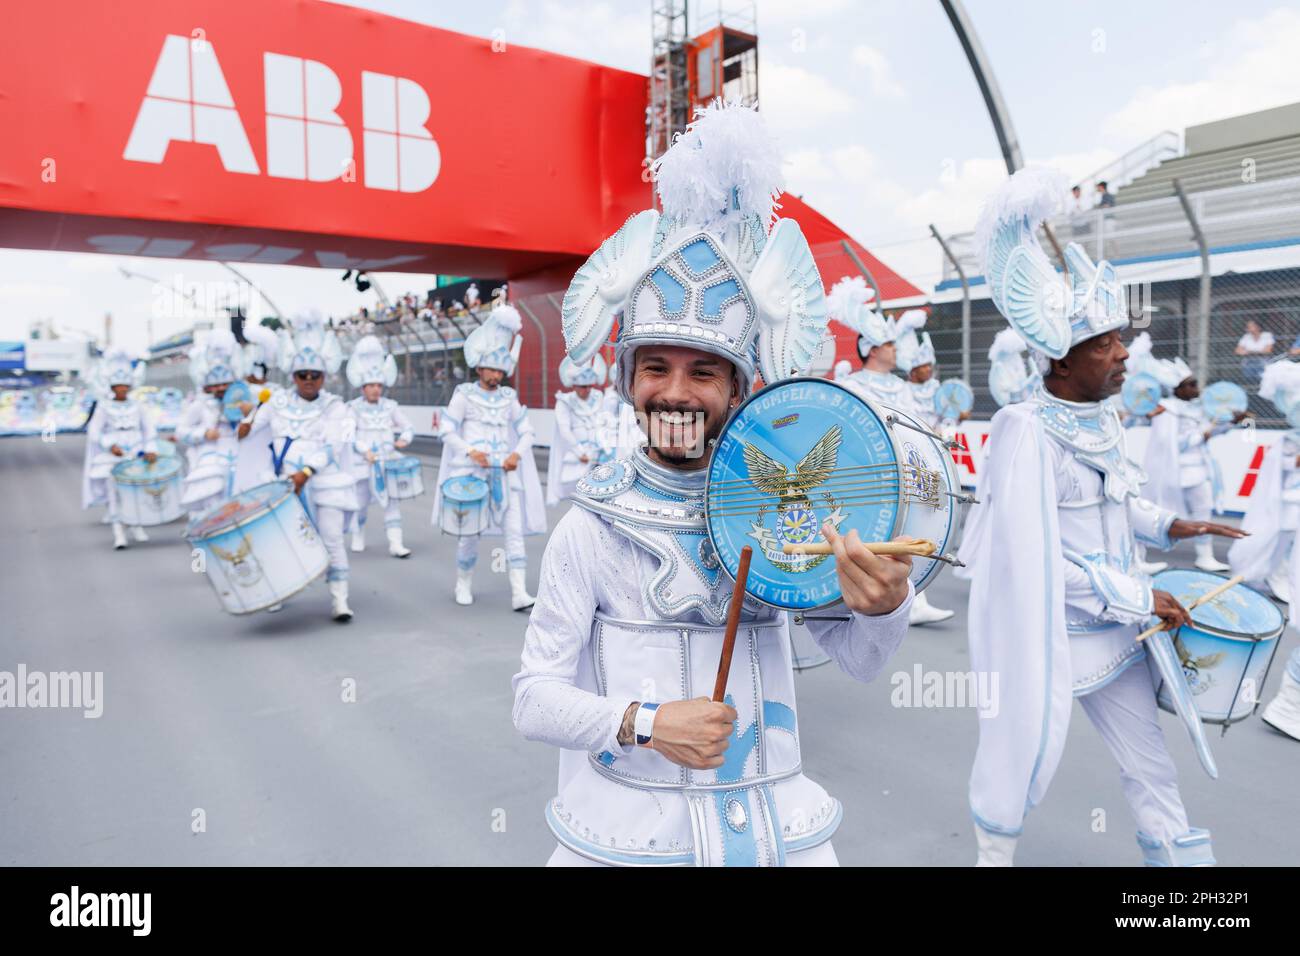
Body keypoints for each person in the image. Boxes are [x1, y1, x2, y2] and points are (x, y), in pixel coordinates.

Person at [512, 101, 913, 868]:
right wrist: (646, 723)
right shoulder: (591, 527)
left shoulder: (784, 512)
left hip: (777, 832)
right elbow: (533, 699)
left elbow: (862, 659)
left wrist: (885, 606)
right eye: (655, 367)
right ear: (628, 380)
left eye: (704, 372)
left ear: (739, 389)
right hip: (623, 838)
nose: (676, 393)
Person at [964, 167, 1246, 867]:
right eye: (1103, 344)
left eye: (1120, 339)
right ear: (1059, 361)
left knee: (1151, 766)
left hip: (1119, 632)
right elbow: (1033, 557)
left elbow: (1119, 501)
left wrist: (1172, 528)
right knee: (1020, 760)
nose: (1123, 354)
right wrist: (1137, 594)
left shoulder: (1102, 417)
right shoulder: (1026, 428)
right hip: (1052, 633)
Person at [235, 314, 358, 621]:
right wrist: (245, 422)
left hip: (323, 481)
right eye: (302, 374)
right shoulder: (275, 402)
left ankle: (339, 599)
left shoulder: (335, 407)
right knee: (278, 539)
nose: (308, 379)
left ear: (324, 376)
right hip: (283, 484)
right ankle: (278, 590)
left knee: (330, 537)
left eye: (314, 374)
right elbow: (250, 429)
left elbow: (334, 446)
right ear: (293, 375)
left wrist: (307, 472)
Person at [432, 304, 547, 610]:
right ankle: (463, 582)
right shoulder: (464, 395)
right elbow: (446, 430)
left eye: (500, 369)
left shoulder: (510, 398)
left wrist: (516, 455)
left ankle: (519, 592)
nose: (496, 374)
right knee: (470, 535)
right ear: (479, 368)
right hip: (470, 476)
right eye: (491, 368)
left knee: (513, 533)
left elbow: (527, 433)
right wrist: (470, 451)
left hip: (505, 474)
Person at [1143, 358, 1247, 571]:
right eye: (1190, 384)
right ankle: (1138, 556)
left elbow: (1206, 434)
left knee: (1203, 511)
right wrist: (1202, 433)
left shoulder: (1196, 409)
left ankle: (1204, 556)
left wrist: (1229, 423)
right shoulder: (1167, 409)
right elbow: (1172, 444)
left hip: (1198, 471)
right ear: (1178, 389)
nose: (1196, 388)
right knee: (1156, 513)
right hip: (1175, 472)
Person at [344, 335, 415, 558]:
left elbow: (408, 427)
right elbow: (349, 435)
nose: (375, 389)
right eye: (371, 386)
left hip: (387, 461)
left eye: (378, 385)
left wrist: (404, 439)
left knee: (392, 502)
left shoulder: (391, 406)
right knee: (361, 502)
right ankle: (358, 533)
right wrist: (364, 449)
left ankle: (395, 543)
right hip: (363, 463)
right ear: (362, 387)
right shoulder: (353, 408)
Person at [81, 349, 158, 550]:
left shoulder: (139, 406)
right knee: (114, 493)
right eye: (118, 386)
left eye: (125, 385)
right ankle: (118, 532)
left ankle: (136, 525)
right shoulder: (104, 407)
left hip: (136, 454)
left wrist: (150, 448)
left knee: (136, 491)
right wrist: (109, 445)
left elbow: (149, 430)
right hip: (112, 456)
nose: (122, 389)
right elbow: (94, 431)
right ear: (112, 387)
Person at [176, 330, 243, 520]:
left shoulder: (244, 403)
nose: (222, 388)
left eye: (226, 384)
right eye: (217, 384)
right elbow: (181, 431)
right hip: (209, 458)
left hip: (238, 457)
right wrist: (204, 433)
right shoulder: (200, 405)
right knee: (211, 507)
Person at [828, 276, 917, 417]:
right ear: (873, 350)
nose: (896, 349)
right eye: (889, 345)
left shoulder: (902, 387)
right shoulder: (852, 386)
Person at [546, 354, 607, 505]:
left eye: (589, 386)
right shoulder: (564, 401)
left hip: (600, 453)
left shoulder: (598, 397)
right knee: (580, 497)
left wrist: (605, 447)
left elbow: (604, 423)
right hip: (578, 455)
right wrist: (580, 452)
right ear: (574, 385)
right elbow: (564, 430)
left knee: (601, 496)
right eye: (583, 386)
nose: (587, 390)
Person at [1235, 319, 1274, 384]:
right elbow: (1237, 351)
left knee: (1263, 366)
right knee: (1246, 365)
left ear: (1258, 327)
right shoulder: (1246, 336)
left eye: (1250, 327)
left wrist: (1248, 351)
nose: (1247, 329)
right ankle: (1249, 385)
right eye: (1247, 327)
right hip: (1249, 360)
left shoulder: (1267, 335)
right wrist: (1258, 351)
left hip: (1262, 359)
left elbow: (1268, 350)